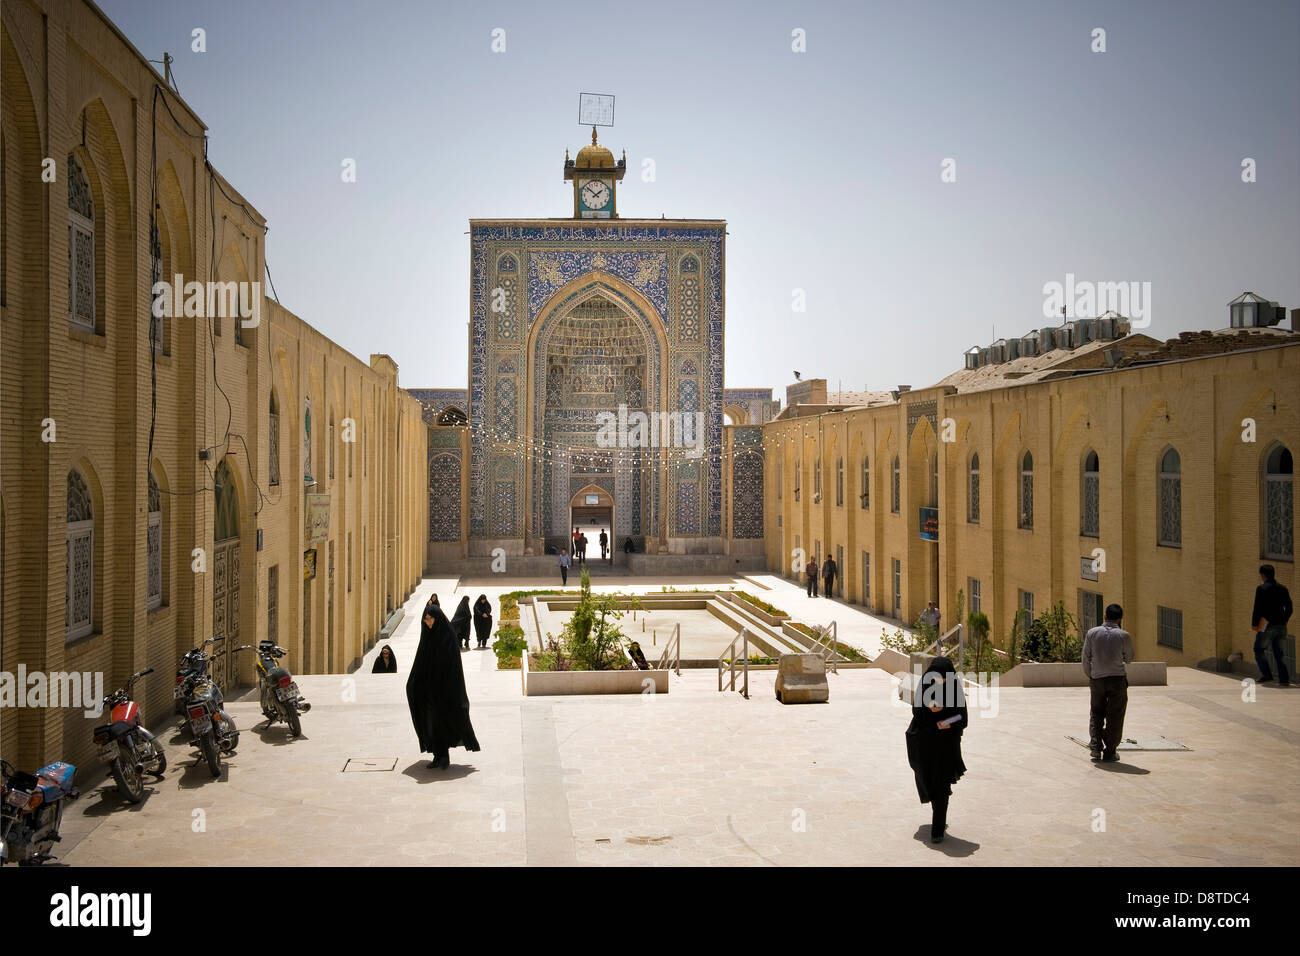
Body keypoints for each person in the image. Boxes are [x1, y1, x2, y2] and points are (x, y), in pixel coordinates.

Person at [406, 603, 481, 769]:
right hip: (430, 690)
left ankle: (444, 756)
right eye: (425, 620)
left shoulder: (448, 636)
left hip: (445, 689)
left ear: (437, 618)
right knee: (432, 723)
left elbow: (452, 666)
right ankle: (437, 756)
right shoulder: (427, 636)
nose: (429, 623)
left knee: (443, 723)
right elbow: (421, 661)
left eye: (431, 619)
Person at [905, 655, 967, 843]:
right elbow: (917, 711)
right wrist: (929, 708)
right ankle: (938, 805)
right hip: (924, 745)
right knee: (928, 780)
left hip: (946, 746)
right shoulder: (926, 685)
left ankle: (937, 829)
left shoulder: (954, 688)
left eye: (945, 677)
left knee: (941, 785)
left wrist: (947, 722)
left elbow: (962, 717)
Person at [1081, 603, 1134, 762]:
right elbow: (1129, 658)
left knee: (1096, 712)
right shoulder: (1124, 635)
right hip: (1117, 679)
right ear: (1120, 619)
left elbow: (1085, 657)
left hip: (1097, 678)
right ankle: (1110, 750)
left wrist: (1090, 675)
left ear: (1104, 616)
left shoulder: (1092, 633)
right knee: (1115, 714)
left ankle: (1096, 747)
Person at [1252, 564, 1293, 686]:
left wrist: (1254, 624)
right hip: (1281, 625)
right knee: (1279, 653)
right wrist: (1284, 619)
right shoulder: (1283, 588)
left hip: (1266, 623)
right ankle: (1284, 679)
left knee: (1258, 649)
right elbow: (1290, 608)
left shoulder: (1261, 589)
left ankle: (1266, 674)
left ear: (1263, 575)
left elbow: (1257, 608)